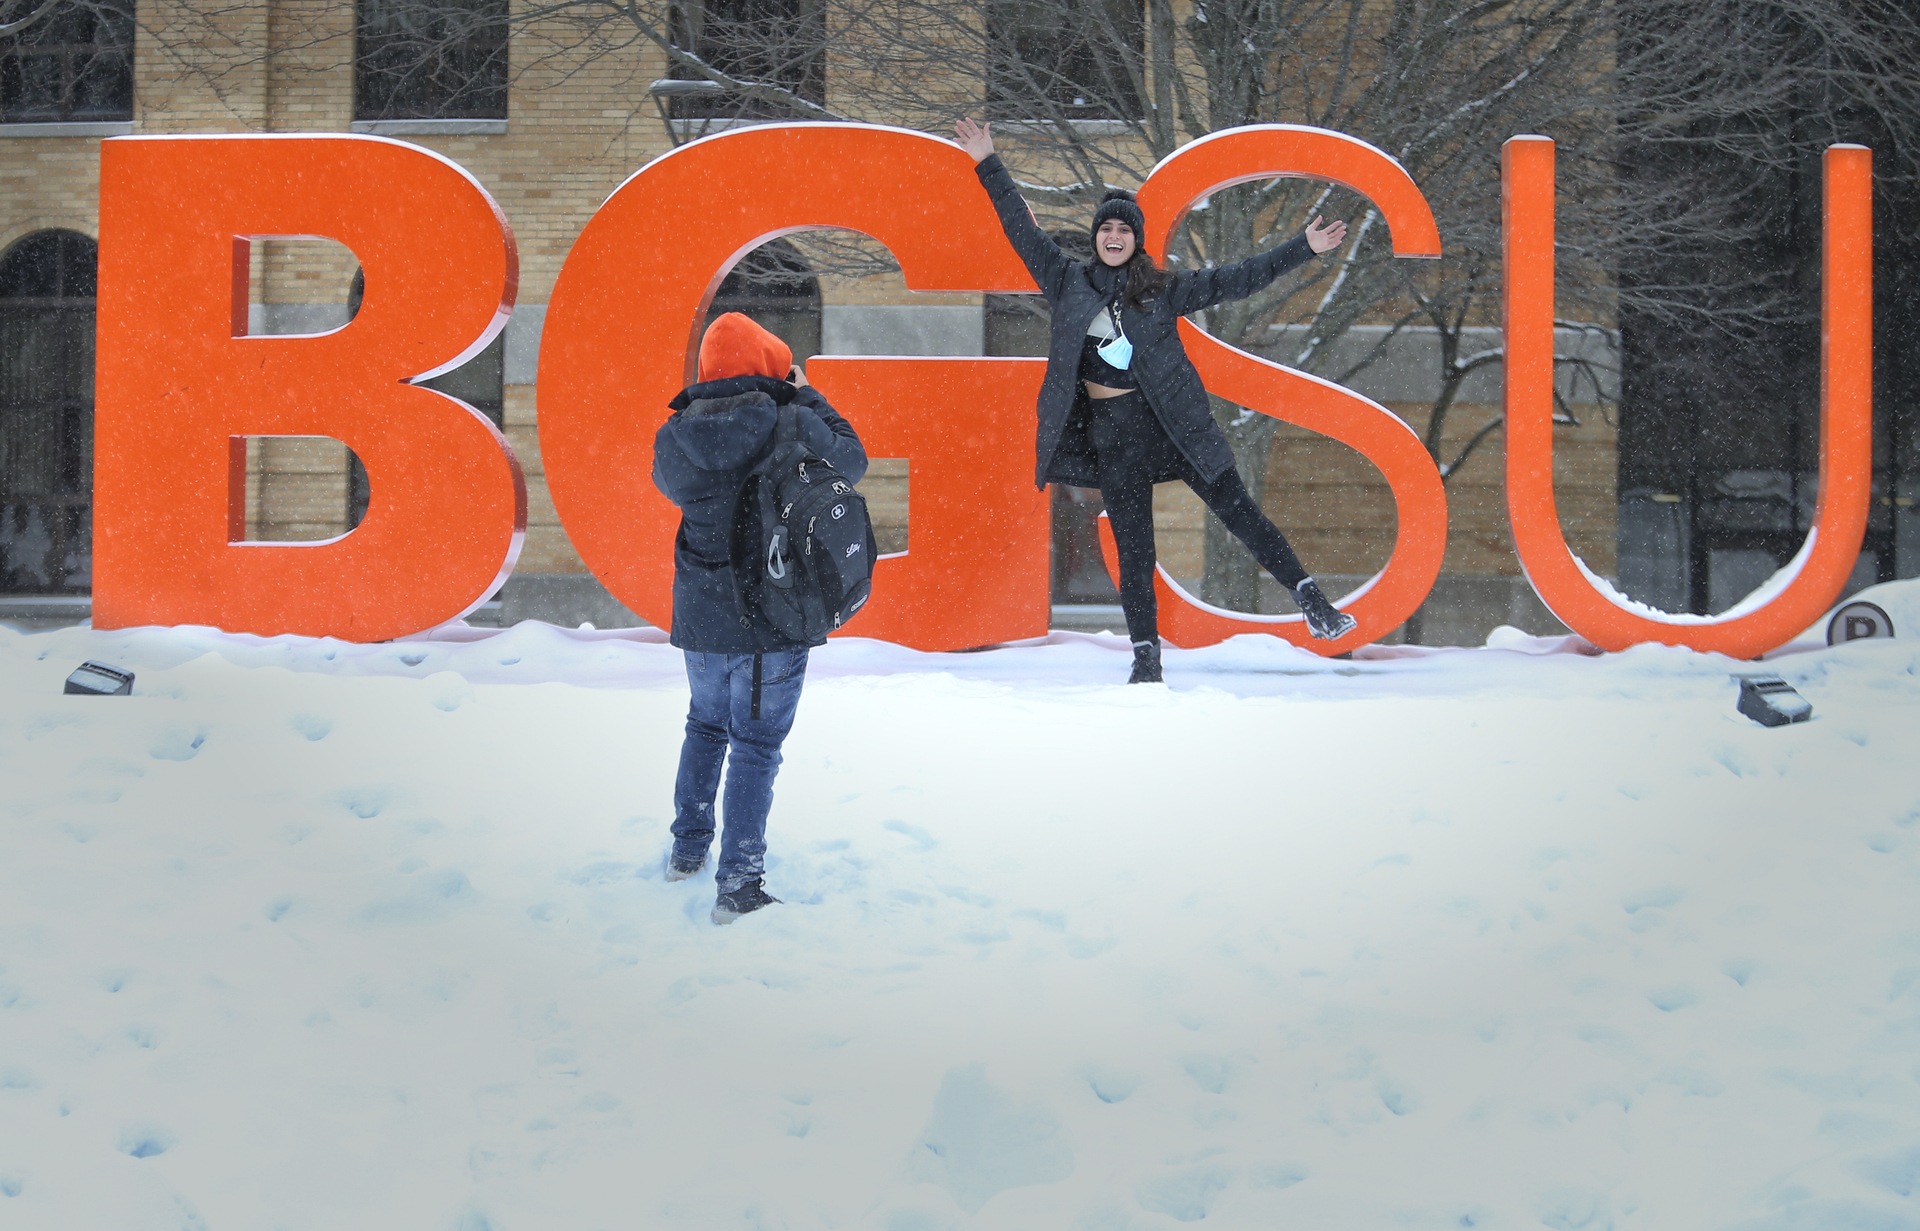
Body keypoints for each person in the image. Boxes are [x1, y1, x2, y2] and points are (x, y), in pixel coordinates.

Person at [954, 117, 1358, 683]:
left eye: (1124, 229)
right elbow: (1019, 227)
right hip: (1112, 436)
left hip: (1174, 426)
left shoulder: (1162, 290)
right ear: (1096, 237)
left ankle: (1314, 603)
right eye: (1106, 228)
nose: (1113, 236)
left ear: (1136, 239)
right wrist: (988, 162)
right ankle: (1146, 658)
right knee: (1134, 550)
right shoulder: (1066, 280)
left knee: (1239, 513)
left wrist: (1303, 249)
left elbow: (1237, 278)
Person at [653, 311, 869, 923]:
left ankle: (687, 852)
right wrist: (808, 395)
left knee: (705, 726)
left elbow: (670, 486)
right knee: (755, 746)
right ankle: (739, 885)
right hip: (774, 611)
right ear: (772, 365)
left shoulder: (674, 435)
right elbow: (852, 461)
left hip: (702, 613)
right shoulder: (791, 420)